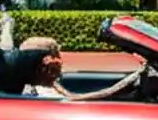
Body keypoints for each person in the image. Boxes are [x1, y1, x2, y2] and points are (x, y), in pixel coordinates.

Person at [17, 37, 145, 101]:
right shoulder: (40, 94)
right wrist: (126, 83)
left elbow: (74, 97)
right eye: (57, 56)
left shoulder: (41, 86)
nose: (61, 63)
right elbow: (75, 101)